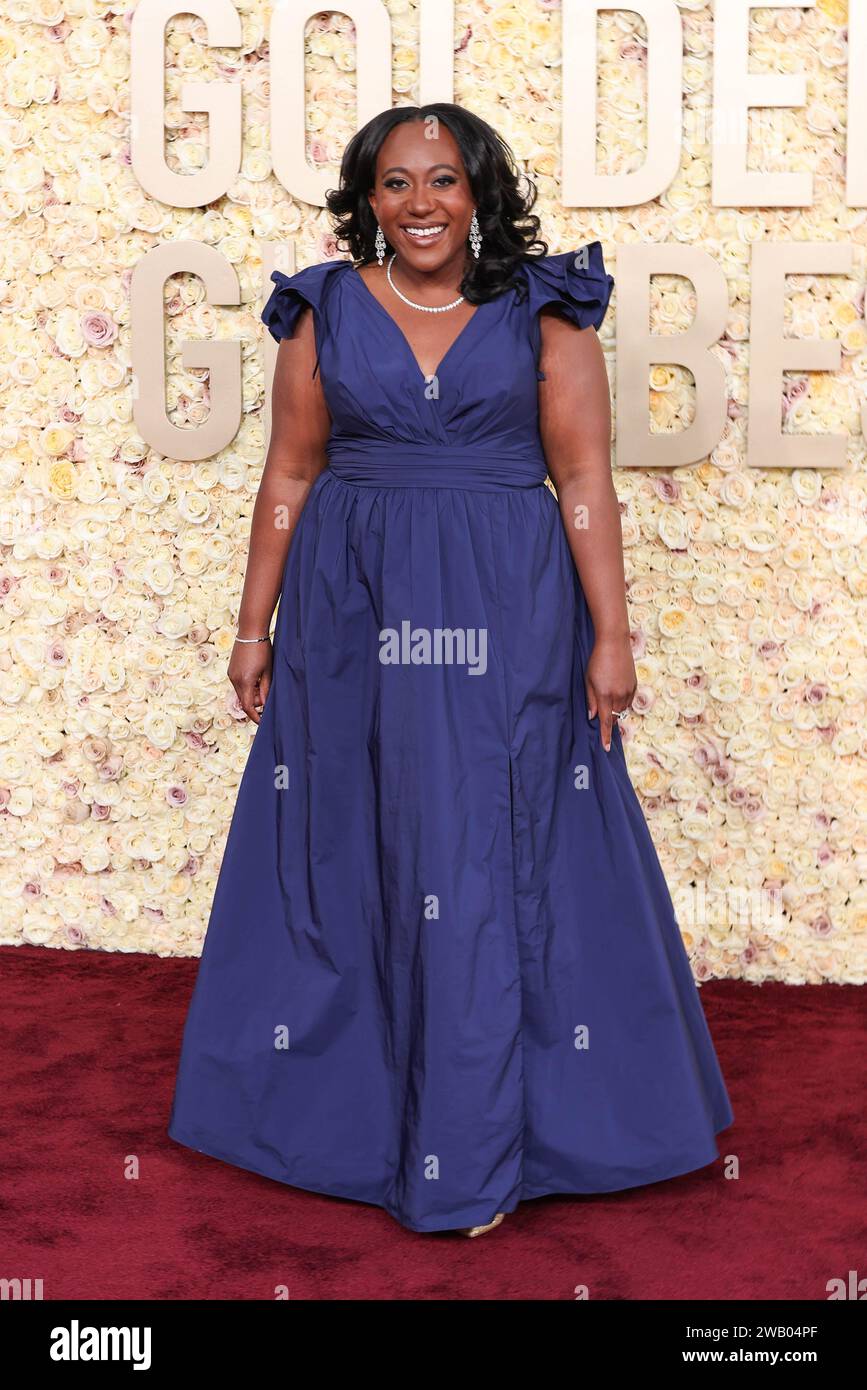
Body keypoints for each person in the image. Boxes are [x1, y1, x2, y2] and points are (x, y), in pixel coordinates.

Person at [168, 102, 733, 1238]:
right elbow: (287, 472)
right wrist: (250, 626)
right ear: (366, 199)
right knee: (365, 841)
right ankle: (366, 1121)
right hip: (351, 611)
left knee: (485, 849)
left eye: (442, 179)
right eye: (394, 182)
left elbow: (584, 481)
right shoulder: (320, 310)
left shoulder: (547, 310)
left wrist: (611, 635)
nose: (419, 202)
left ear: (480, 192)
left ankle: (471, 1151)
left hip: (508, 611)